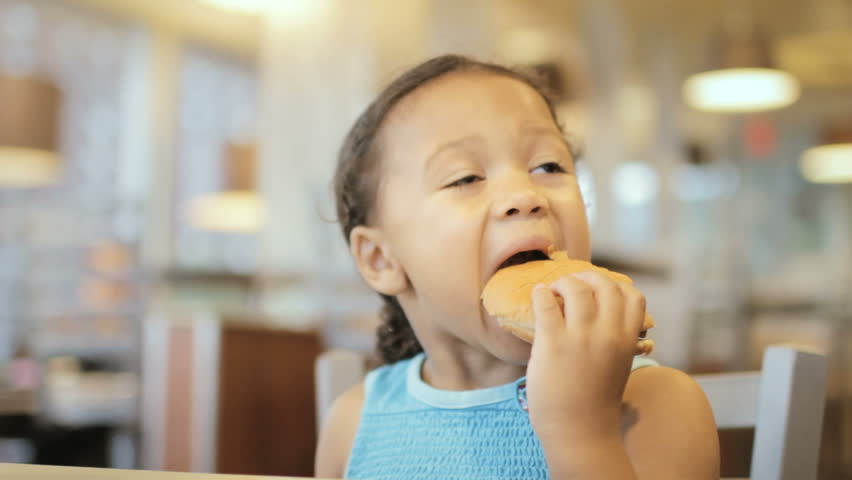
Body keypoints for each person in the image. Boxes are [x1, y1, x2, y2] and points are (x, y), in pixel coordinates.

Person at [316, 54, 719, 480]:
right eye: (466, 177)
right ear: (382, 259)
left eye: (549, 166)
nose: (526, 195)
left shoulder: (653, 402)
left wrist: (582, 431)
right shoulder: (353, 424)